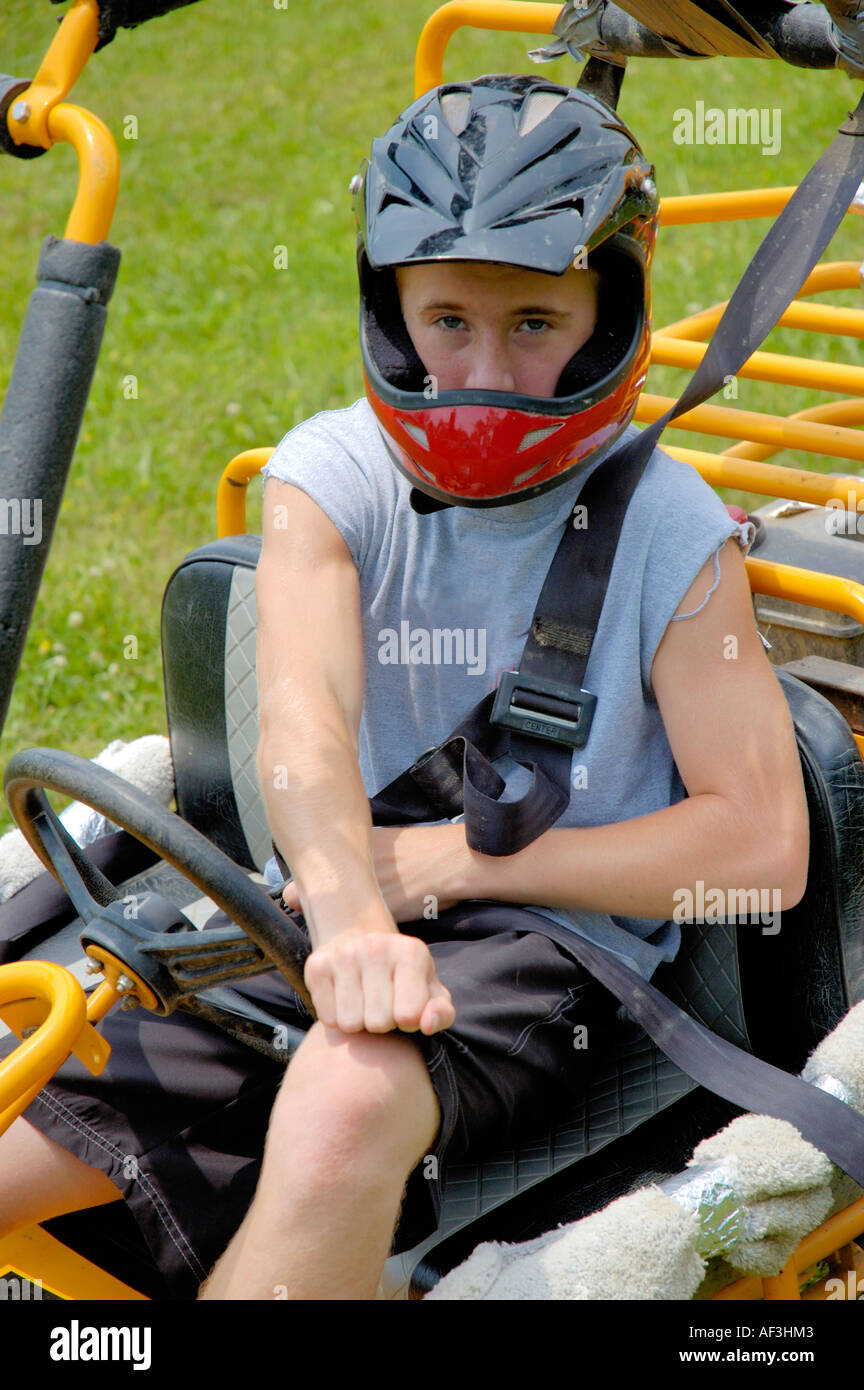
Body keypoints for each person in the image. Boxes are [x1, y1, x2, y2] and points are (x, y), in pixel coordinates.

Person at [0, 75, 809, 1301]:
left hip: (560, 955)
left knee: (347, 1088)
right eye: (447, 320)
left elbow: (759, 846)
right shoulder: (331, 476)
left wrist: (460, 864)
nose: (484, 369)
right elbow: (303, 726)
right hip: (331, 899)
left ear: (613, 315)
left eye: (535, 323)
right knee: (22, 1132)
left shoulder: (670, 531)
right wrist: (351, 912)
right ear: (389, 311)